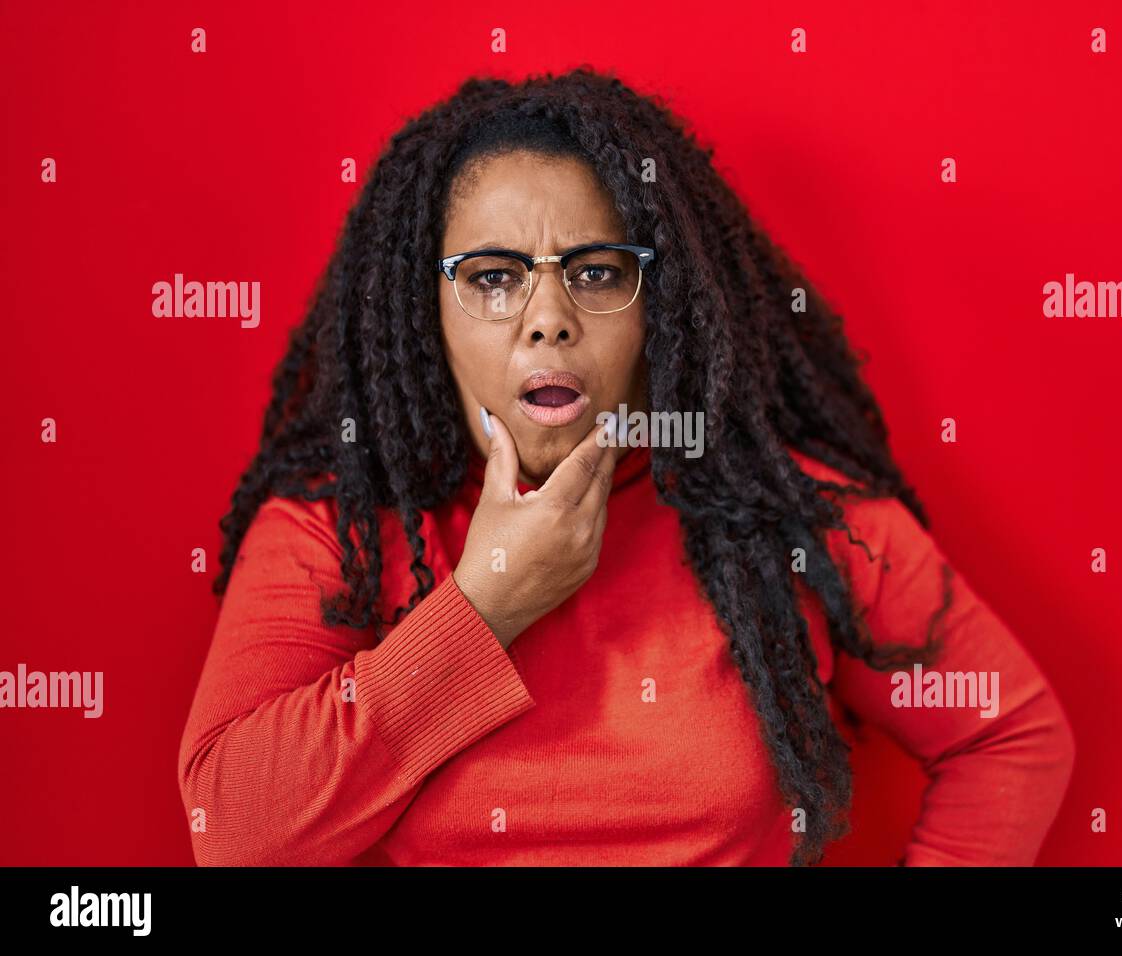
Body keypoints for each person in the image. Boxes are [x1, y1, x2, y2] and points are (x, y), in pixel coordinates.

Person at [177, 66, 1074, 867]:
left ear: (662, 311)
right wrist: (486, 605)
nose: (547, 317)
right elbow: (233, 832)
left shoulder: (779, 514)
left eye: (598, 273)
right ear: (426, 316)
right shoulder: (338, 532)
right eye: (493, 278)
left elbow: (1012, 734)